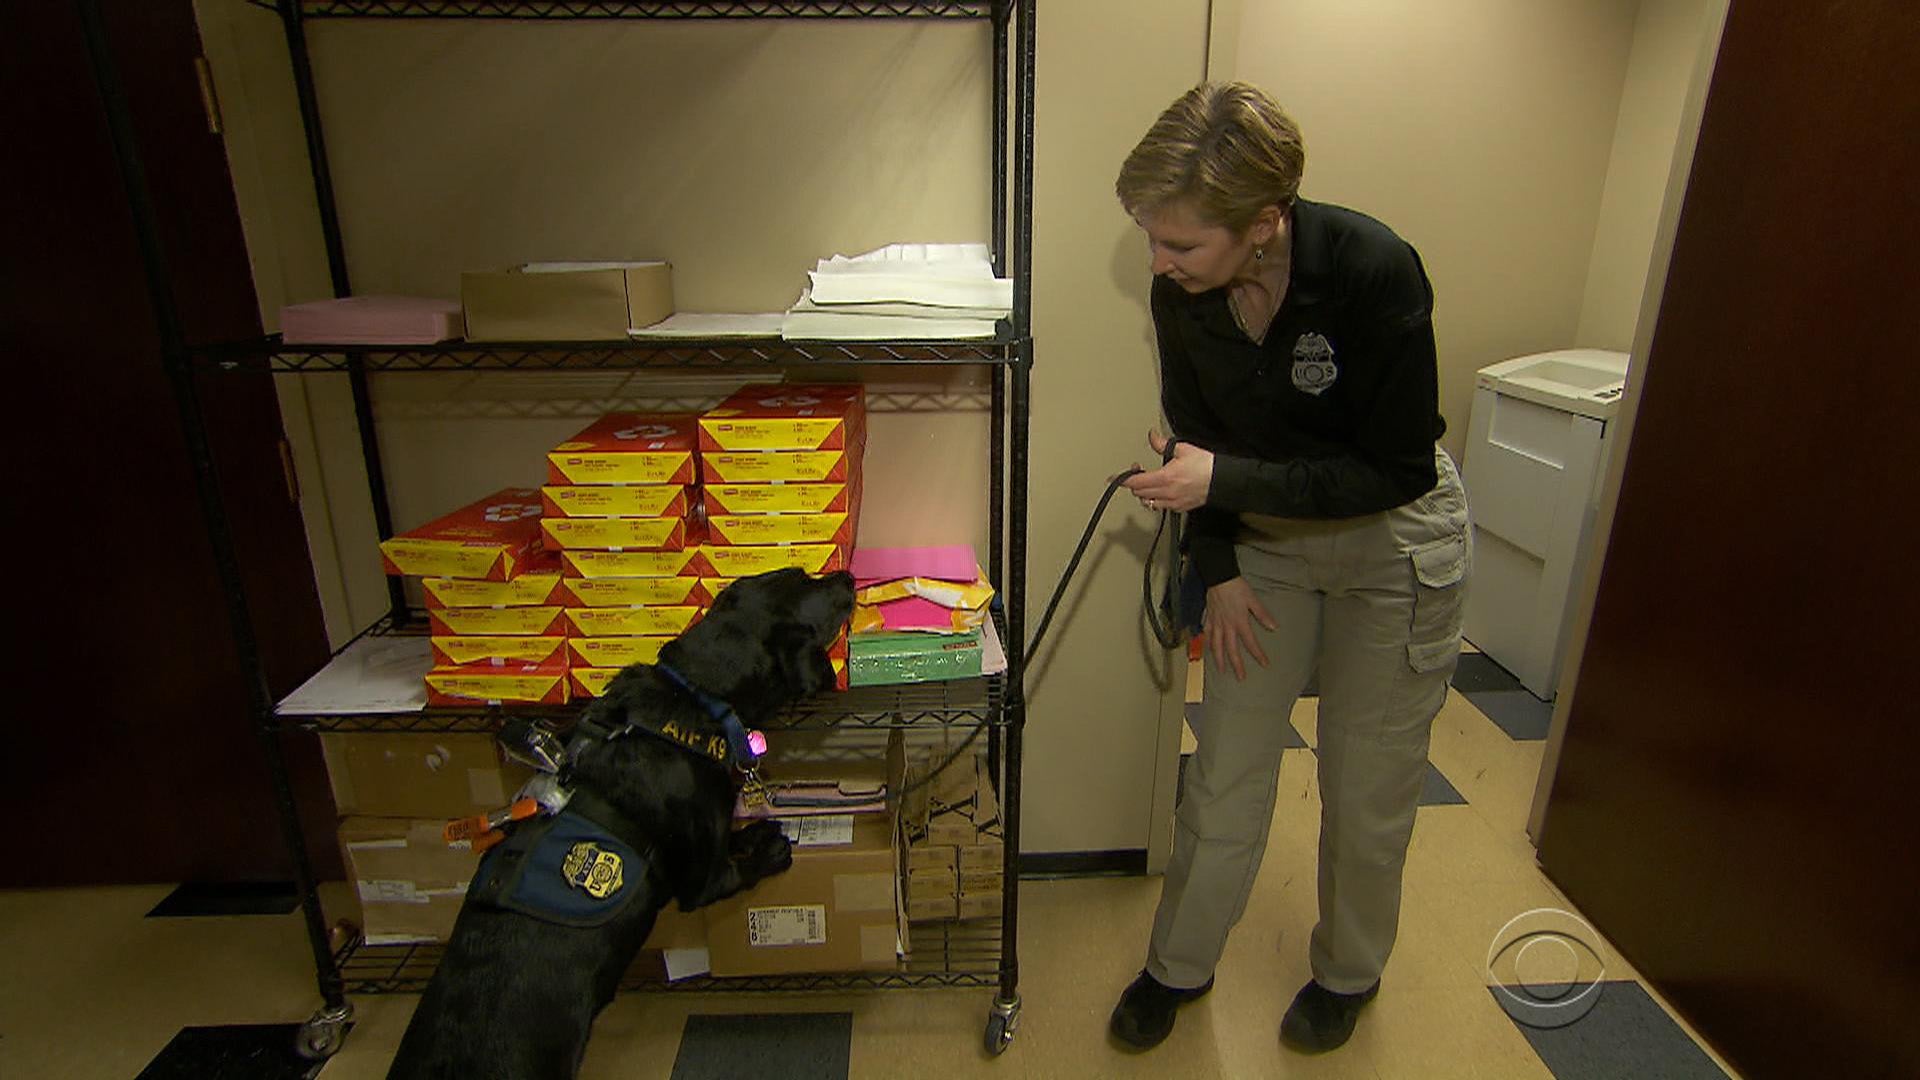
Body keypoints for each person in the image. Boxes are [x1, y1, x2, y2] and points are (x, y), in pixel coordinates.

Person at [1110, 81, 1472, 1054]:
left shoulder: (1373, 269)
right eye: (1151, 236)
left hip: (1393, 540)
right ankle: (1176, 965)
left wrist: (1225, 478)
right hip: (1261, 539)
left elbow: (1392, 466)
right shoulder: (1177, 296)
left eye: (1179, 243)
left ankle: (1347, 973)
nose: (1158, 260)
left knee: (1368, 783)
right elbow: (1198, 437)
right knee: (1226, 771)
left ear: (1264, 223)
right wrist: (1217, 563)